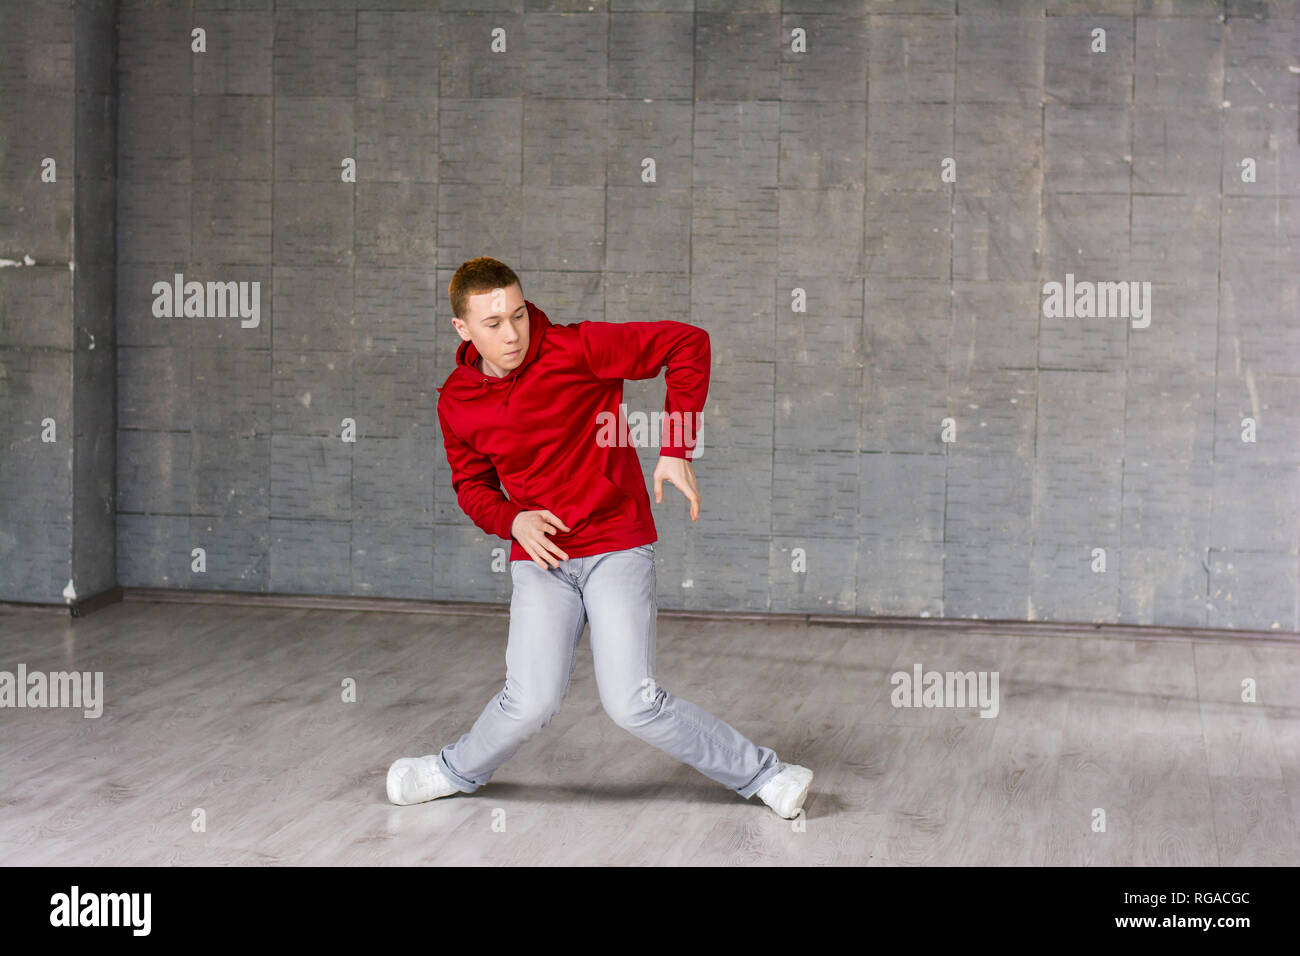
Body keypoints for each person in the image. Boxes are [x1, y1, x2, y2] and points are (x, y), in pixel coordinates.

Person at [386, 257, 813, 819]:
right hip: (542, 558)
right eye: (493, 323)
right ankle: (453, 771)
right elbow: (471, 486)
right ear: (462, 329)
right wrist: (511, 521)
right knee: (530, 700)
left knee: (632, 702)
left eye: (517, 314)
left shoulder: (574, 348)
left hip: (615, 542)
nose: (512, 333)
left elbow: (687, 344)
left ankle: (766, 774)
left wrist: (676, 446)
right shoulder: (457, 401)